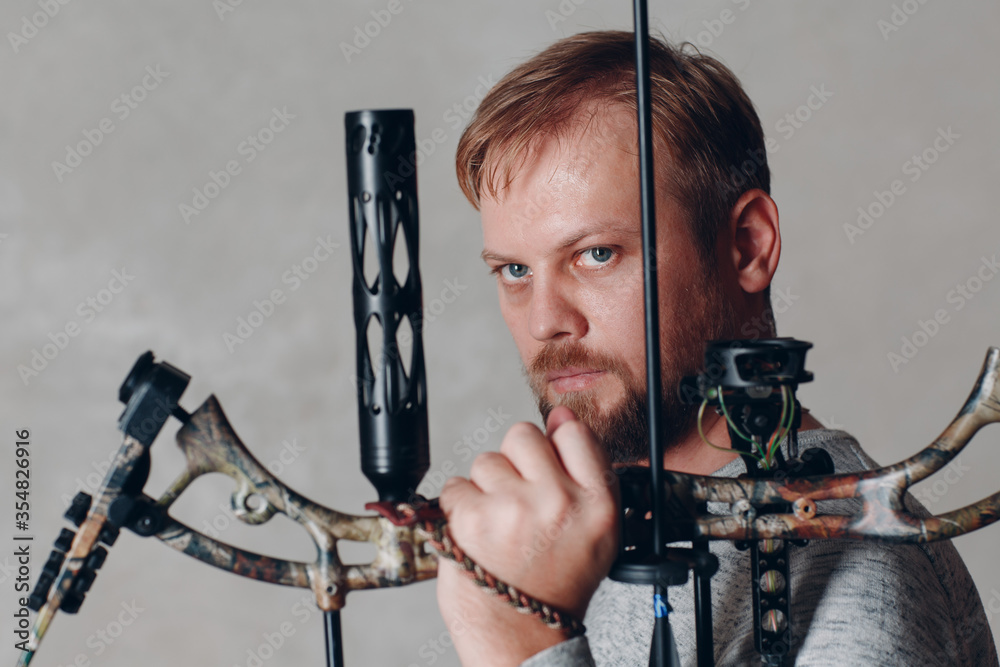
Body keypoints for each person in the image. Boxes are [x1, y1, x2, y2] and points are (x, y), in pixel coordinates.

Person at [435, 31, 998, 666]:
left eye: (596, 255)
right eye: (514, 271)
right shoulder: (568, 541)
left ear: (748, 246)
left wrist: (523, 642)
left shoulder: (865, 568)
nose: (544, 322)